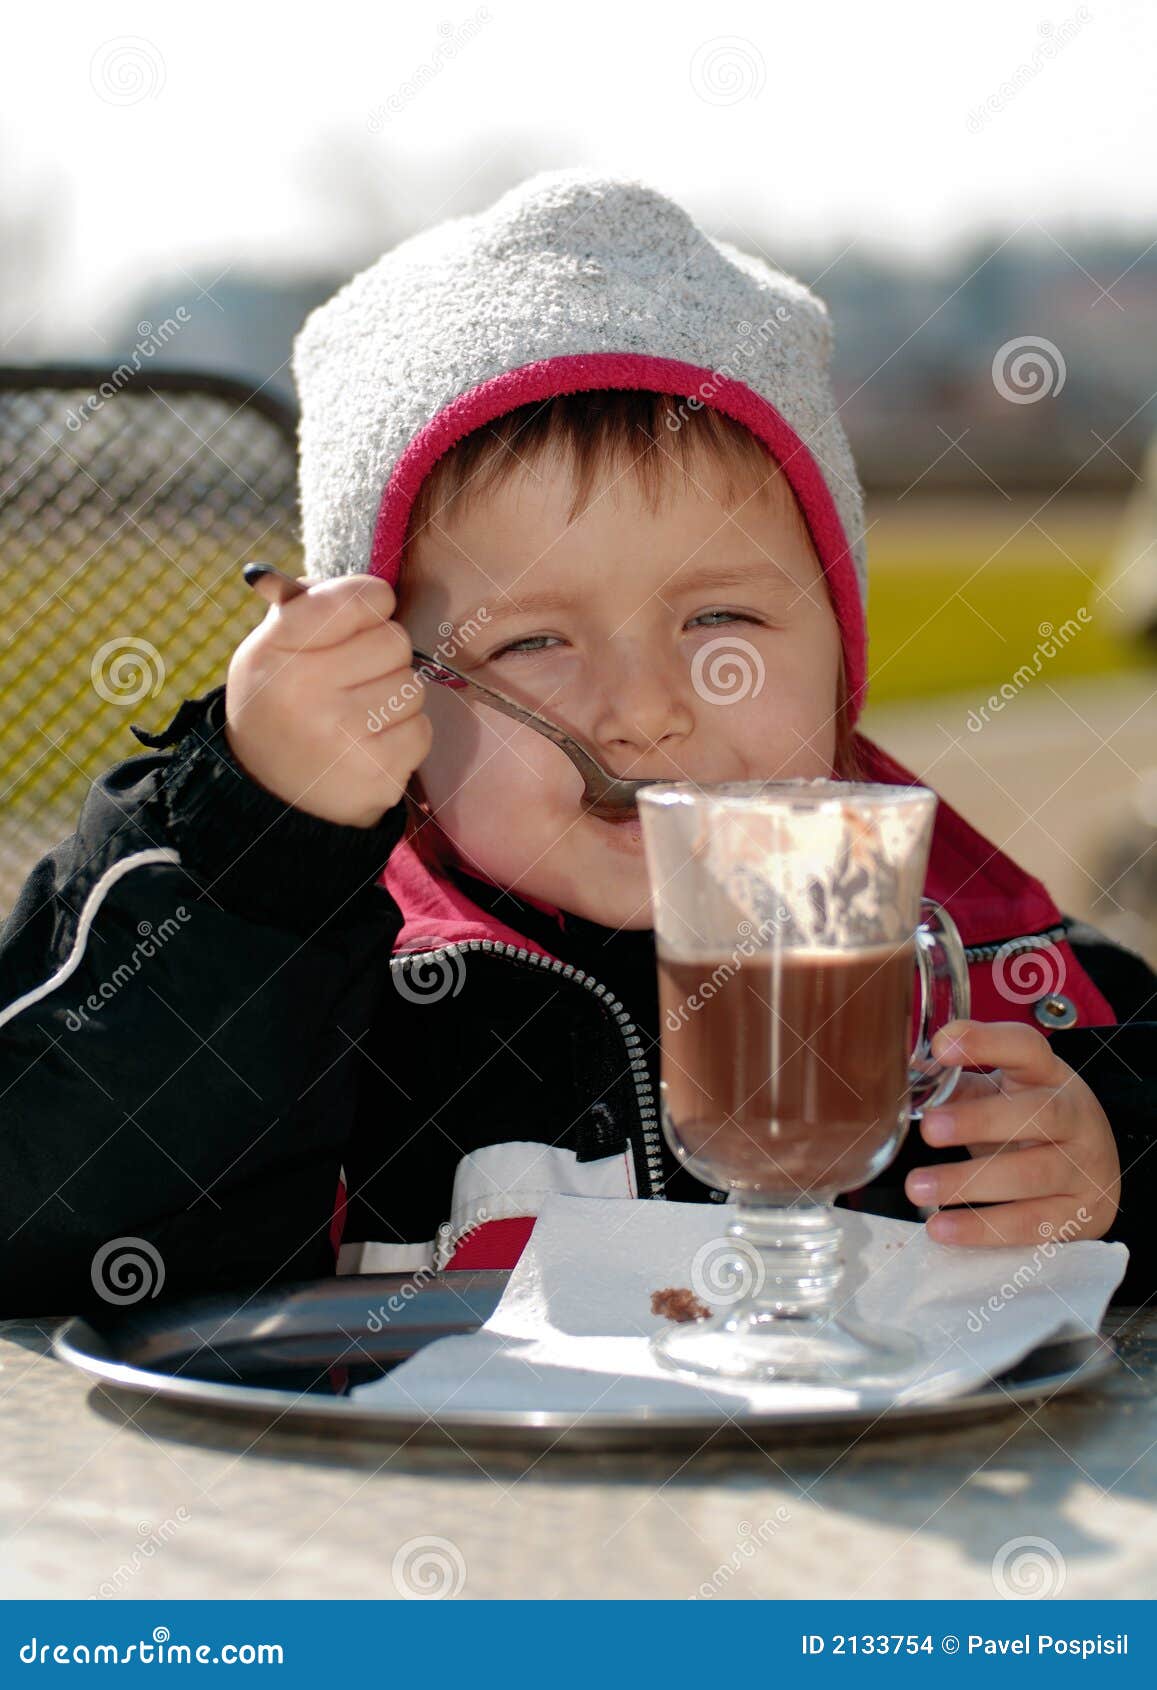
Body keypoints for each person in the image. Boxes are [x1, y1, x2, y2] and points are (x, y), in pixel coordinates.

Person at [1, 171, 1153, 1316]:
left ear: (840, 660)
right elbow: (44, 1229)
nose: (643, 710)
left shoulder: (991, 970)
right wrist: (254, 845)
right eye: (531, 641)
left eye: (720, 623)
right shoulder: (299, 952)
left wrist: (1112, 1174)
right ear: (387, 686)